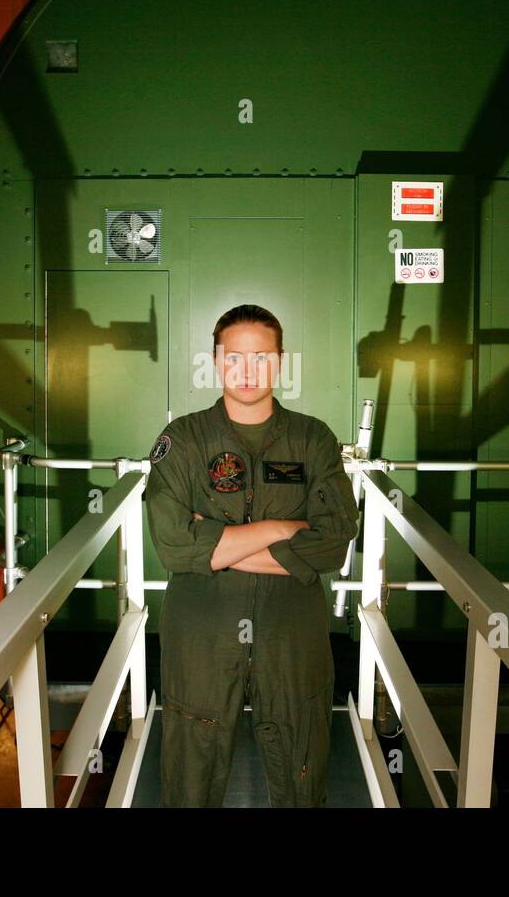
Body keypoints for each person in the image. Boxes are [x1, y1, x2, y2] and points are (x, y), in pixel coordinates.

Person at [144, 304, 360, 807]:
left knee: (302, 761)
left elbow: (333, 542)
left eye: (260, 358)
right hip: (200, 632)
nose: (247, 371)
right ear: (216, 362)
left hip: (292, 633)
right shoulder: (182, 442)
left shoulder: (313, 439)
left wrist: (217, 546)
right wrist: (283, 530)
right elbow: (174, 545)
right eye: (235, 357)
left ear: (280, 362)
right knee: (191, 769)